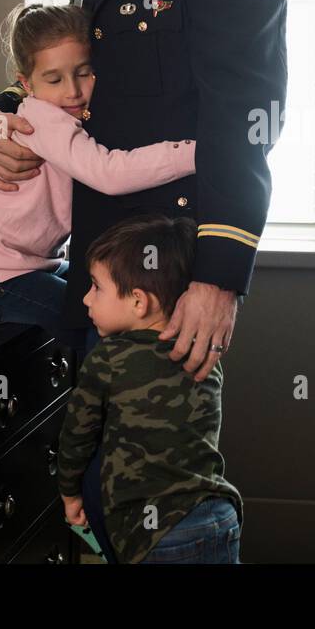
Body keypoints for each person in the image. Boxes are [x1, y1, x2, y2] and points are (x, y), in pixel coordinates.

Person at [0, 0, 286, 563]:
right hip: (97, 256)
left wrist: (219, 277)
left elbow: (250, 112)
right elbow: (65, 72)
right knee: (105, 489)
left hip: (172, 262)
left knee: (166, 496)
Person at [0, 3, 195, 331]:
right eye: (54, 79)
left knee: (98, 292)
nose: (73, 91)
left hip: (34, 265)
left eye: (83, 73)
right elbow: (108, 173)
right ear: (27, 84)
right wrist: (193, 154)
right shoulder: (43, 119)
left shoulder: (73, 115)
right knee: (91, 315)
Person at [58, 212, 243, 564]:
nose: (86, 299)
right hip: (219, 516)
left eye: (96, 287)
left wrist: (69, 494)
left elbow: (76, 436)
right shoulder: (201, 352)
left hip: (157, 534)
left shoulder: (108, 358)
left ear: (139, 302)